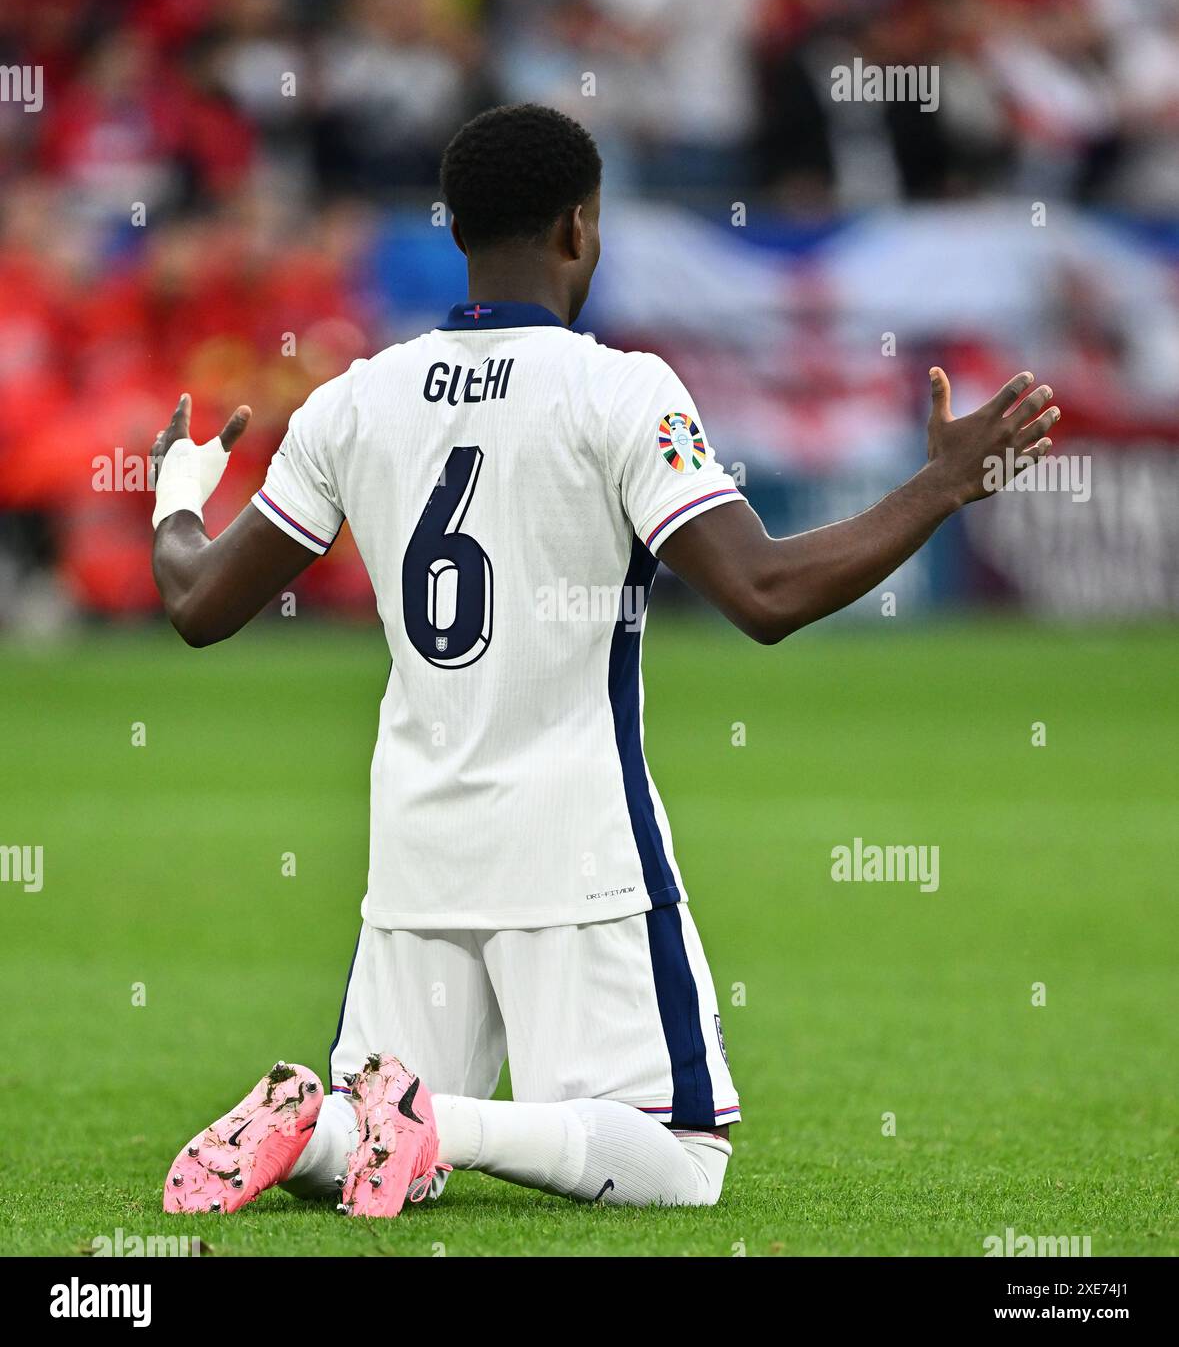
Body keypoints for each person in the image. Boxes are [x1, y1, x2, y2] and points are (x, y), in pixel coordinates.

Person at [153, 103, 1059, 1217]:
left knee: (373, 1149)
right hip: (575, 849)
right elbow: (763, 594)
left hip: (414, 853)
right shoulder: (619, 389)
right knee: (681, 1161)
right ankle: (444, 1116)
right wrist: (940, 488)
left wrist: (177, 495)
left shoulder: (354, 399)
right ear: (581, 227)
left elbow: (197, 604)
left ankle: (319, 1128)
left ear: (458, 231)